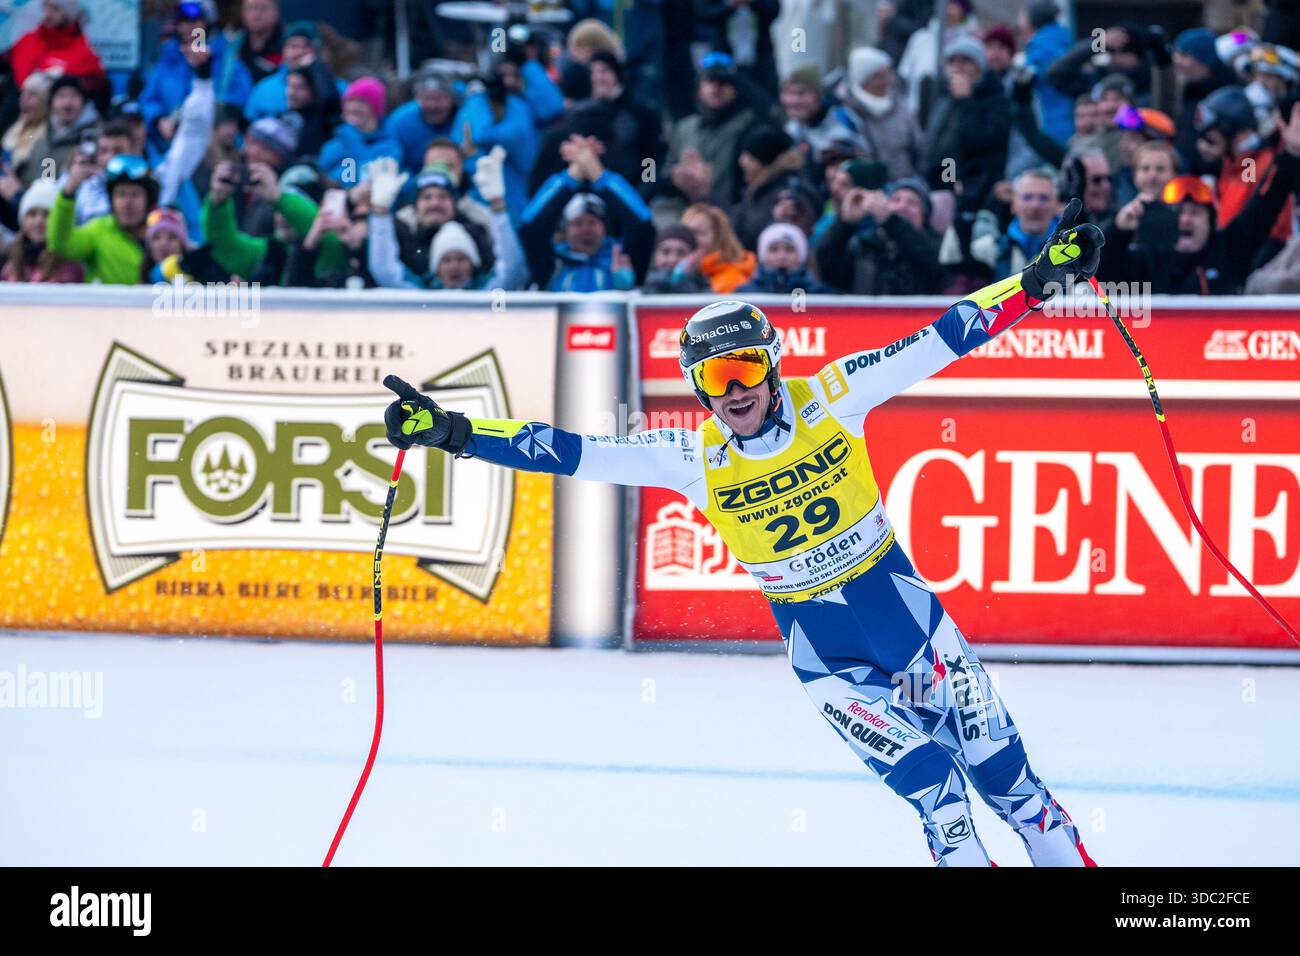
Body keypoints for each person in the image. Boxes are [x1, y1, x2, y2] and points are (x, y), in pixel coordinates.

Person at [380, 201, 1107, 868]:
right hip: (834, 668)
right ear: (699, 389)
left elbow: (943, 337)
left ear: (773, 365)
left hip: (919, 643)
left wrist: (1038, 282)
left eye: (747, 368)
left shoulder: (835, 395)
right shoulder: (690, 456)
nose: (736, 391)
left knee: (1014, 789)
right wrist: (457, 432)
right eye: (716, 379)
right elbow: (568, 450)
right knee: (941, 805)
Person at [518, 135, 653, 291]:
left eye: (592, 223)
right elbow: (530, 226)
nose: (586, 230)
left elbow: (641, 224)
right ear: (565, 230)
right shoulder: (551, 264)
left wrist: (599, 174)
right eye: (577, 223)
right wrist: (572, 175)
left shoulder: (622, 260)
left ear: (604, 228)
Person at [816, 176, 946, 294]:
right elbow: (825, 265)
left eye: (912, 202)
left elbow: (935, 268)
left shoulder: (935, 247)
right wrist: (845, 223)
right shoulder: (863, 247)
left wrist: (892, 221)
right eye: (896, 199)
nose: (902, 207)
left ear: (924, 215)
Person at [48, 153, 156, 284]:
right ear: (111, 200)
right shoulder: (99, 230)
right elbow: (61, 245)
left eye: (135, 195)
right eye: (121, 195)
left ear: (148, 201)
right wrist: (68, 194)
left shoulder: (163, 231)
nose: (128, 203)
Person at [0, 179, 84, 282]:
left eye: (47, 214)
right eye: (32, 214)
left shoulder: (70, 264)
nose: (39, 221)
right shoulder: (10, 262)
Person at [737, 222, 833, 294]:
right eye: (774, 250)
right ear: (762, 255)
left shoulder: (820, 293)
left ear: (801, 255)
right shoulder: (744, 294)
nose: (781, 256)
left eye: (789, 249)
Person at [679, 201, 755, 293]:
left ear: (719, 238)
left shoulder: (731, 278)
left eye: (698, 233)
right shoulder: (678, 270)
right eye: (686, 232)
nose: (689, 238)